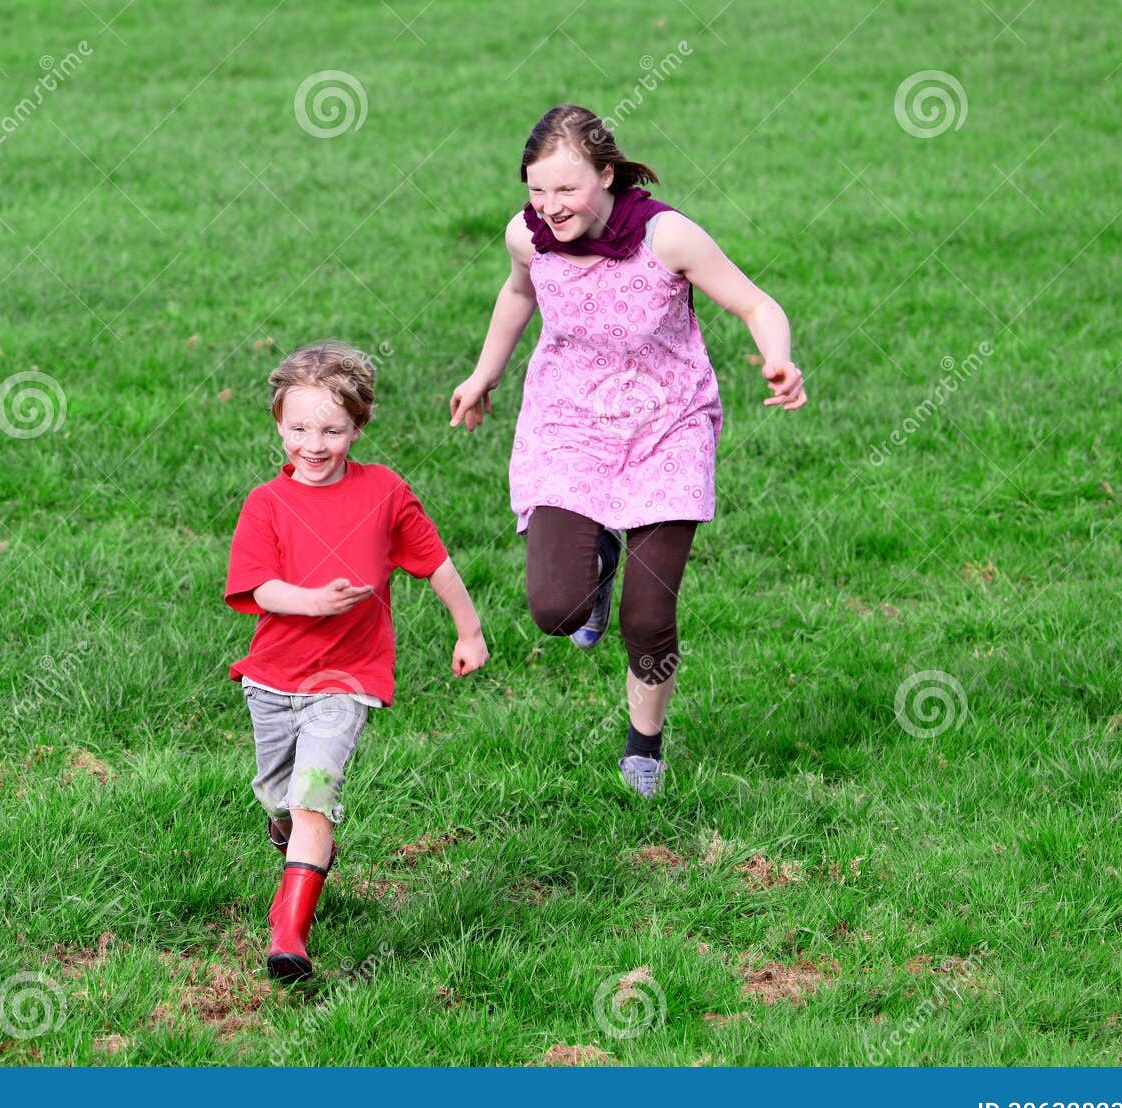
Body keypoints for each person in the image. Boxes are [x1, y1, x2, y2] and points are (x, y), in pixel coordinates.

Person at [449, 104, 806, 799]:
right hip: (570, 421)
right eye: (536, 191)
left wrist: (779, 360)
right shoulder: (528, 236)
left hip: (666, 424)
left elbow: (757, 305)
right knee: (555, 608)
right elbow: (519, 292)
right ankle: (598, 562)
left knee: (648, 616)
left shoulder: (666, 236)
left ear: (607, 174)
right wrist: (483, 372)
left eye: (567, 189)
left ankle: (644, 744)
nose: (551, 207)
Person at [228, 340, 487, 980]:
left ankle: (288, 936)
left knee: (313, 800)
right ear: (278, 424)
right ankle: (298, 853)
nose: (314, 444)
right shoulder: (267, 502)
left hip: (344, 684)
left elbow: (435, 562)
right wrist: (312, 602)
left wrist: (469, 630)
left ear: (358, 425)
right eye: (299, 429)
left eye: (332, 430)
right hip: (271, 682)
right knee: (280, 801)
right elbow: (257, 587)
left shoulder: (385, 492)